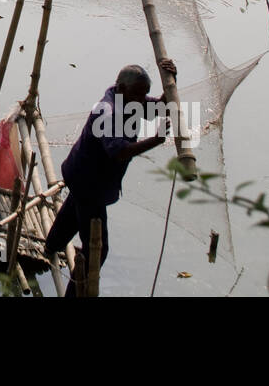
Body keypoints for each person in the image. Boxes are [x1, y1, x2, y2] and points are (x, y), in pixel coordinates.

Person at [44, 59, 176, 296]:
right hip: (89, 183)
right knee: (98, 250)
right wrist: (155, 141)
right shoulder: (107, 112)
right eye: (139, 94)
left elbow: (160, 107)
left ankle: (50, 247)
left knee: (74, 211)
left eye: (145, 94)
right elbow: (119, 152)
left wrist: (170, 80)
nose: (143, 99)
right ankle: (74, 293)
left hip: (84, 176)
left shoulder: (129, 99)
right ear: (122, 88)